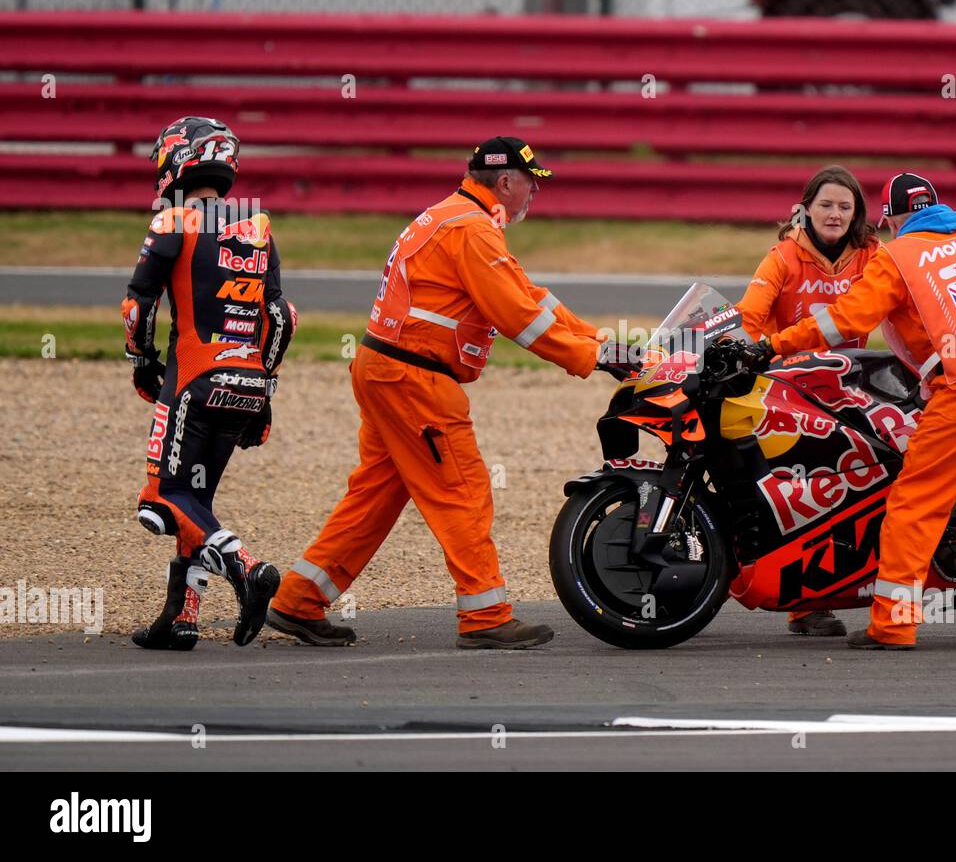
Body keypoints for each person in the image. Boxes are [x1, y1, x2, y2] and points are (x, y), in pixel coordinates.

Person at [267, 137, 635, 649]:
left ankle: (298, 600)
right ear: (506, 182)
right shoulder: (472, 230)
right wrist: (594, 359)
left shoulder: (458, 218)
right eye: (531, 183)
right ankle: (486, 616)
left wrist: (600, 341)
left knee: (376, 494)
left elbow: (529, 297)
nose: (534, 194)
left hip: (386, 371)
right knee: (462, 490)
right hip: (415, 380)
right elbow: (519, 318)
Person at [756, 173, 956, 648]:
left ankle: (894, 625)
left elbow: (845, 321)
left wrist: (776, 344)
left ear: (893, 218)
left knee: (914, 505)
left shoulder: (896, 256)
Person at [124, 116, 295, 651]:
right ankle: (181, 618)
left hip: (194, 377)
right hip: (247, 384)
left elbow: (137, 308)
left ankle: (246, 568)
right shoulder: (258, 227)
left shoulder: (173, 220)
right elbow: (283, 318)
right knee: (195, 499)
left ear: (177, 159)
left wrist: (141, 360)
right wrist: (263, 392)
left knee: (163, 498)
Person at [737, 164, 878, 638]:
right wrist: (740, 353)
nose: (835, 214)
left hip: (855, 387)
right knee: (801, 492)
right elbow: (749, 320)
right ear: (807, 208)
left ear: (857, 212)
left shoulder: (874, 255)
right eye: (826, 205)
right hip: (790, 392)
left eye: (845, 206)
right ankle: (805, 605)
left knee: (854, 487)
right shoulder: (780, 257)